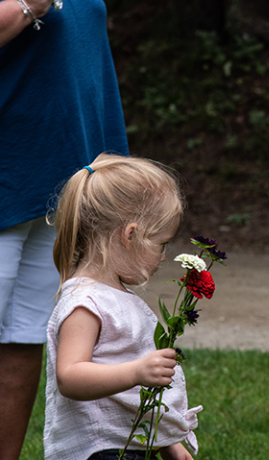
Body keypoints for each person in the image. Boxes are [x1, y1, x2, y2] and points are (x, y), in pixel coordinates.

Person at [0, 0, 129, 459]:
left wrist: (110, 170)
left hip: (54, 191)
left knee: (22, 340)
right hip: (6, 181)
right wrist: (24, 6)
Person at [44, 154, 199, 460]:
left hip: (124, 445)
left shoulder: (114, 296)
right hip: (99, 449)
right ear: (131, 235)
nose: (163, 256)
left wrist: (166, 441)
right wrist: (137, 371)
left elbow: (126, 396)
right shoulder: (85, 302)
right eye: (161, 243)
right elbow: (70, 377)